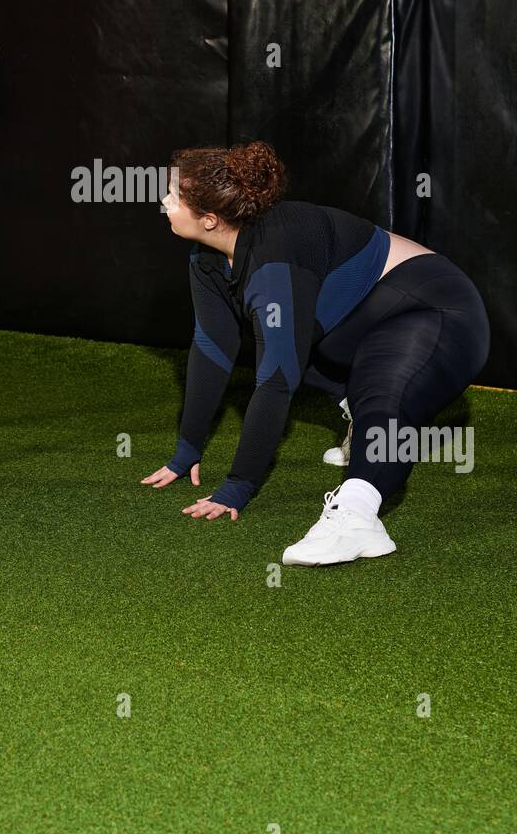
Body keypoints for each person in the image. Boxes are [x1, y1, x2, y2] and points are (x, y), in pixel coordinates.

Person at [142, 141, 490, 564]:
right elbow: (212, 346)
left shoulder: (274, 260)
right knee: (278, 336)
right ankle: (358, 419)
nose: (164, 201)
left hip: (437, 309)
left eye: (175, 196)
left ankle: (359, 518)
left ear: (211, 219)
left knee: (379, 392)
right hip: (363, 318)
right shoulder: (208, 257)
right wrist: (187, 450)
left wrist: (238, 486)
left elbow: (276, 381)